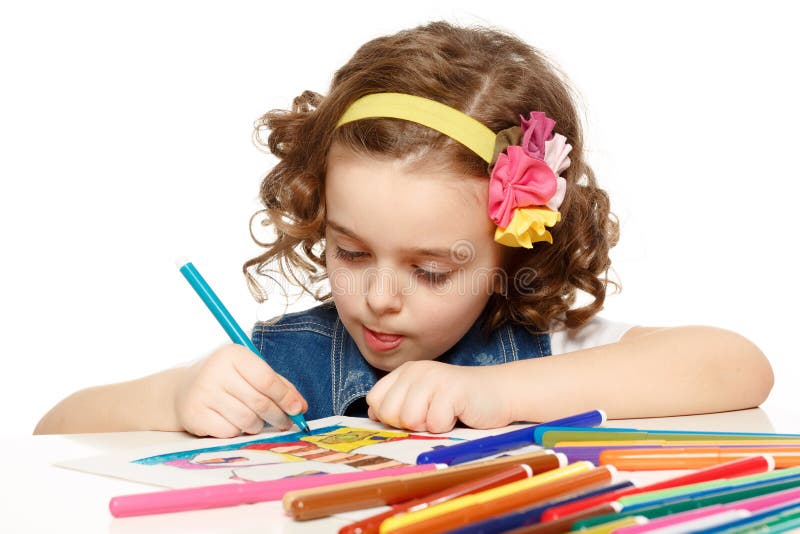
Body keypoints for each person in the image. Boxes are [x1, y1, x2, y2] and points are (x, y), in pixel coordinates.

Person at [34, 21, 773, 438]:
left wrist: (498, 391)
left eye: (431, 269)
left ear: (512, 248)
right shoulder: (281, 365)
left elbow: (739, 365)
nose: (380, 297)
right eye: (351, 251)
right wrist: (175, 397)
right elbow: (53, 430)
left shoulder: (550, 353)